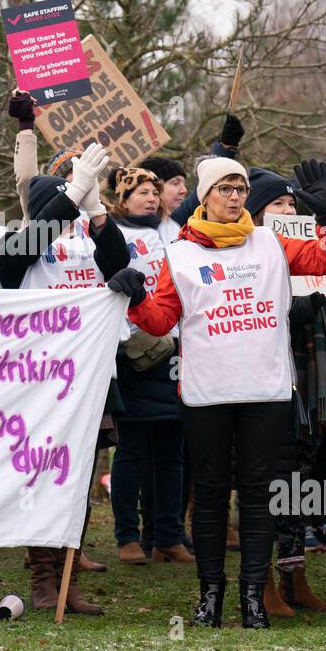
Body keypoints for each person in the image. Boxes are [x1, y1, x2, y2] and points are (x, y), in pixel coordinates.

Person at [120, 156, 326, 628]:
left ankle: (251, 597)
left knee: (258, 494)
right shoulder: (179, 253)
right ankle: (210, 596)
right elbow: (160, 320)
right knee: (208, 495)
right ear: (204, 196)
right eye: (224, 188)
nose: (235, 197)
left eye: (241, 188)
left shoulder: (269, 242)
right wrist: (137, 298)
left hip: (265, 390)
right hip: (207, 393)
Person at [0, 146, 125, 614]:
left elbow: (120, 261)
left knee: (79, 477)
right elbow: (27, 243)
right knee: (43, 477)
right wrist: (72, 189)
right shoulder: (17, 249)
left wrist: (97, 211)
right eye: (62, 209)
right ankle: (43, 579)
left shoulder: (88, 242)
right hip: (39, 380)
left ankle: (68, 573)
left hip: (89, 379)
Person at [244, 166, 326, 616]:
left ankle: (295, 576)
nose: (288, 211)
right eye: (277, 204)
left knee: (300, 479)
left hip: (308, 375)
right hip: (260, 380)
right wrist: (291, 312)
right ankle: (261, 581)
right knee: (264, 481)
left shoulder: (303, 248)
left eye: (292, 204)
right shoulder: (247, 252)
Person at [105, 165, 193, 566]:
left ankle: (168, 536)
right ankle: (127, 536)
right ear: (122, 198)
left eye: (154, 190)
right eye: (140, 191)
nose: (151, 197)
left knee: (173, 453)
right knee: (132, 450)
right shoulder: (112, 235)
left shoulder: (175, 231)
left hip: (175, 350)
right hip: (132, 351)